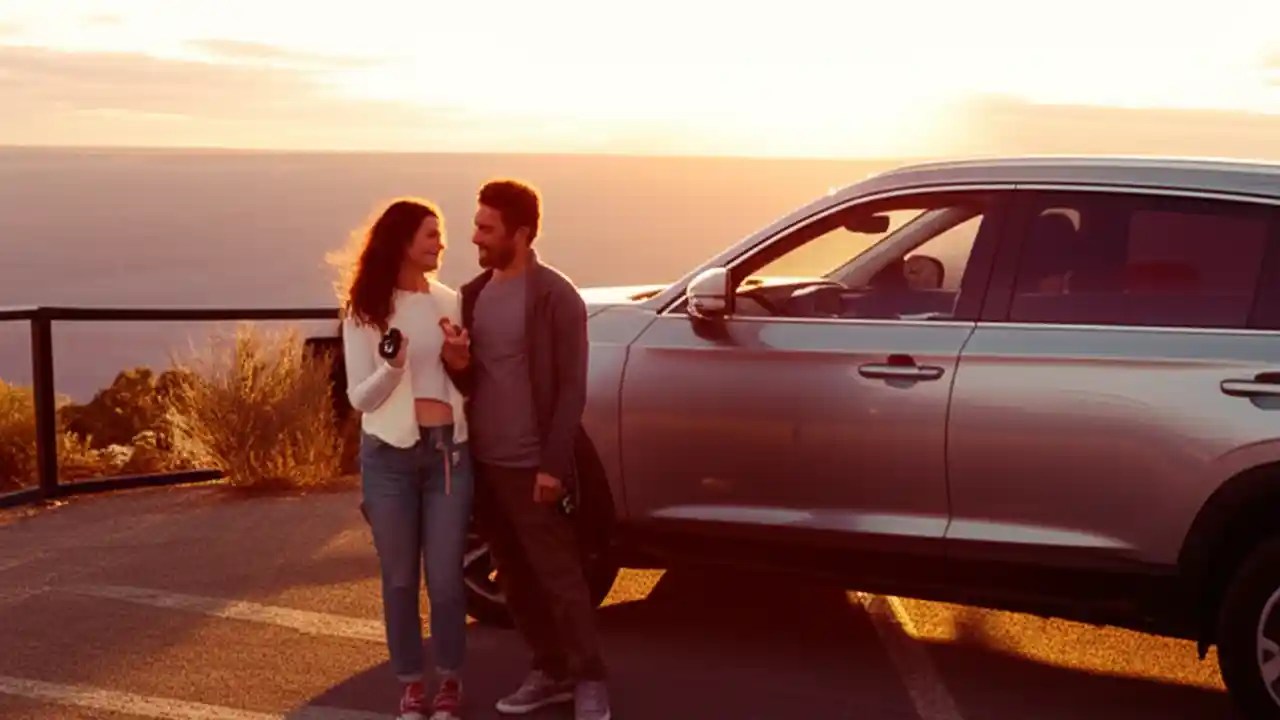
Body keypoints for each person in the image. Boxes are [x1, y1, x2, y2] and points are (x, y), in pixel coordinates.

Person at [439, 179, 610, 720]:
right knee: (513, 580)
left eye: (486, 228)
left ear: (522, 233)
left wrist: (552, 466)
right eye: (476, 225)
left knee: (560, 578)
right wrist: (458, 364)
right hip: (485, 466)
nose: (475, 237)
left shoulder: (556, 297)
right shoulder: (472, 295)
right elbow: (471, 382)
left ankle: (589, 680)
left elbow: (572, 389)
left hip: (534, 466)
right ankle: (549, 671)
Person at [334, 198, 474, 720]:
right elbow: (361, 399)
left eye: (440, 234)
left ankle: (451, 680)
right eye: (431, 234)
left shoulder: (450, 300)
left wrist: (460, 360)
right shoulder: (365, 309)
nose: (441, 243)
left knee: (445, 578)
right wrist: (392, 368)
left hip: (448, 453)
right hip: (388, 458)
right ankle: (412, 684)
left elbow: (464, 380)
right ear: (403, 241)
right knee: (398, 579)